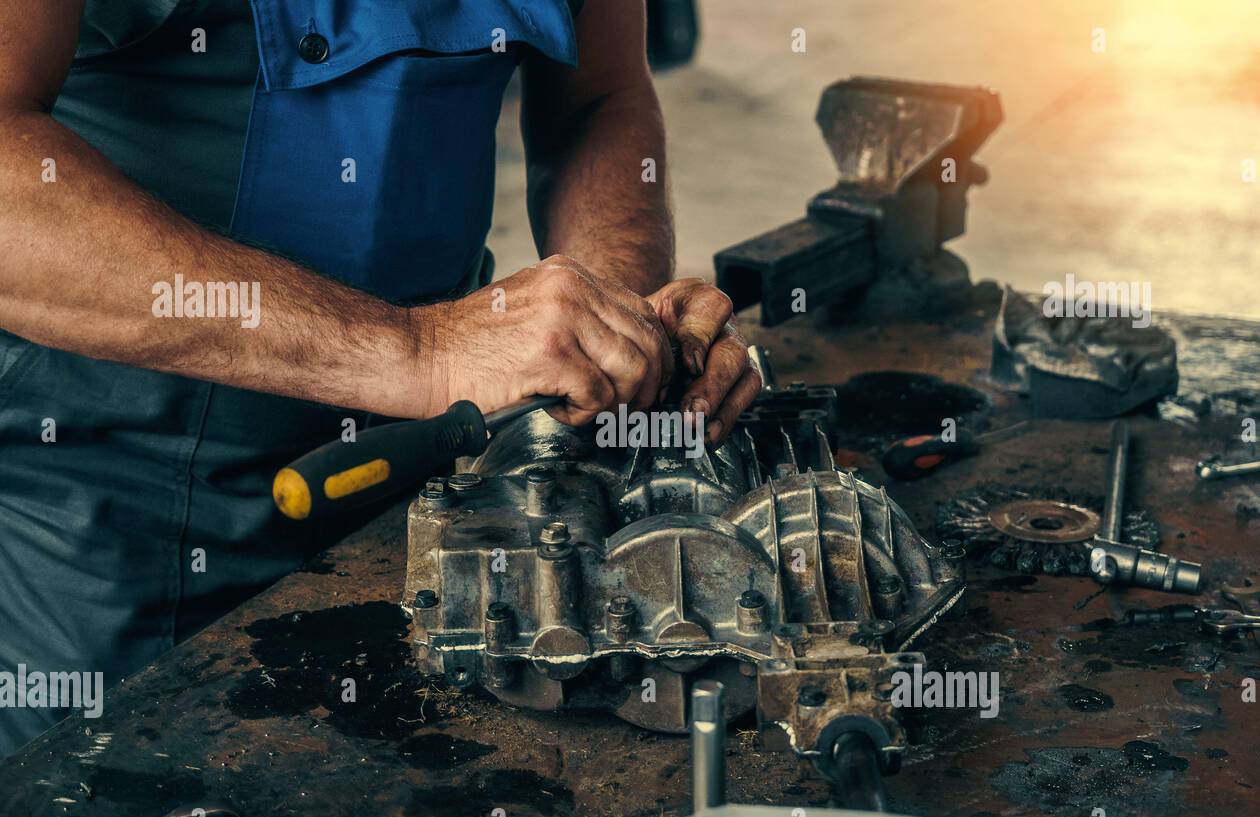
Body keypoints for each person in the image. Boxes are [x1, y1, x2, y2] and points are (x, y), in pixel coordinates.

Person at [0, 0, 760, 754]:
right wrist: (416, 352)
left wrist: (614, 332)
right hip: (111, 505)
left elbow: (599, 97)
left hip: (425, 477)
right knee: (104, 791)